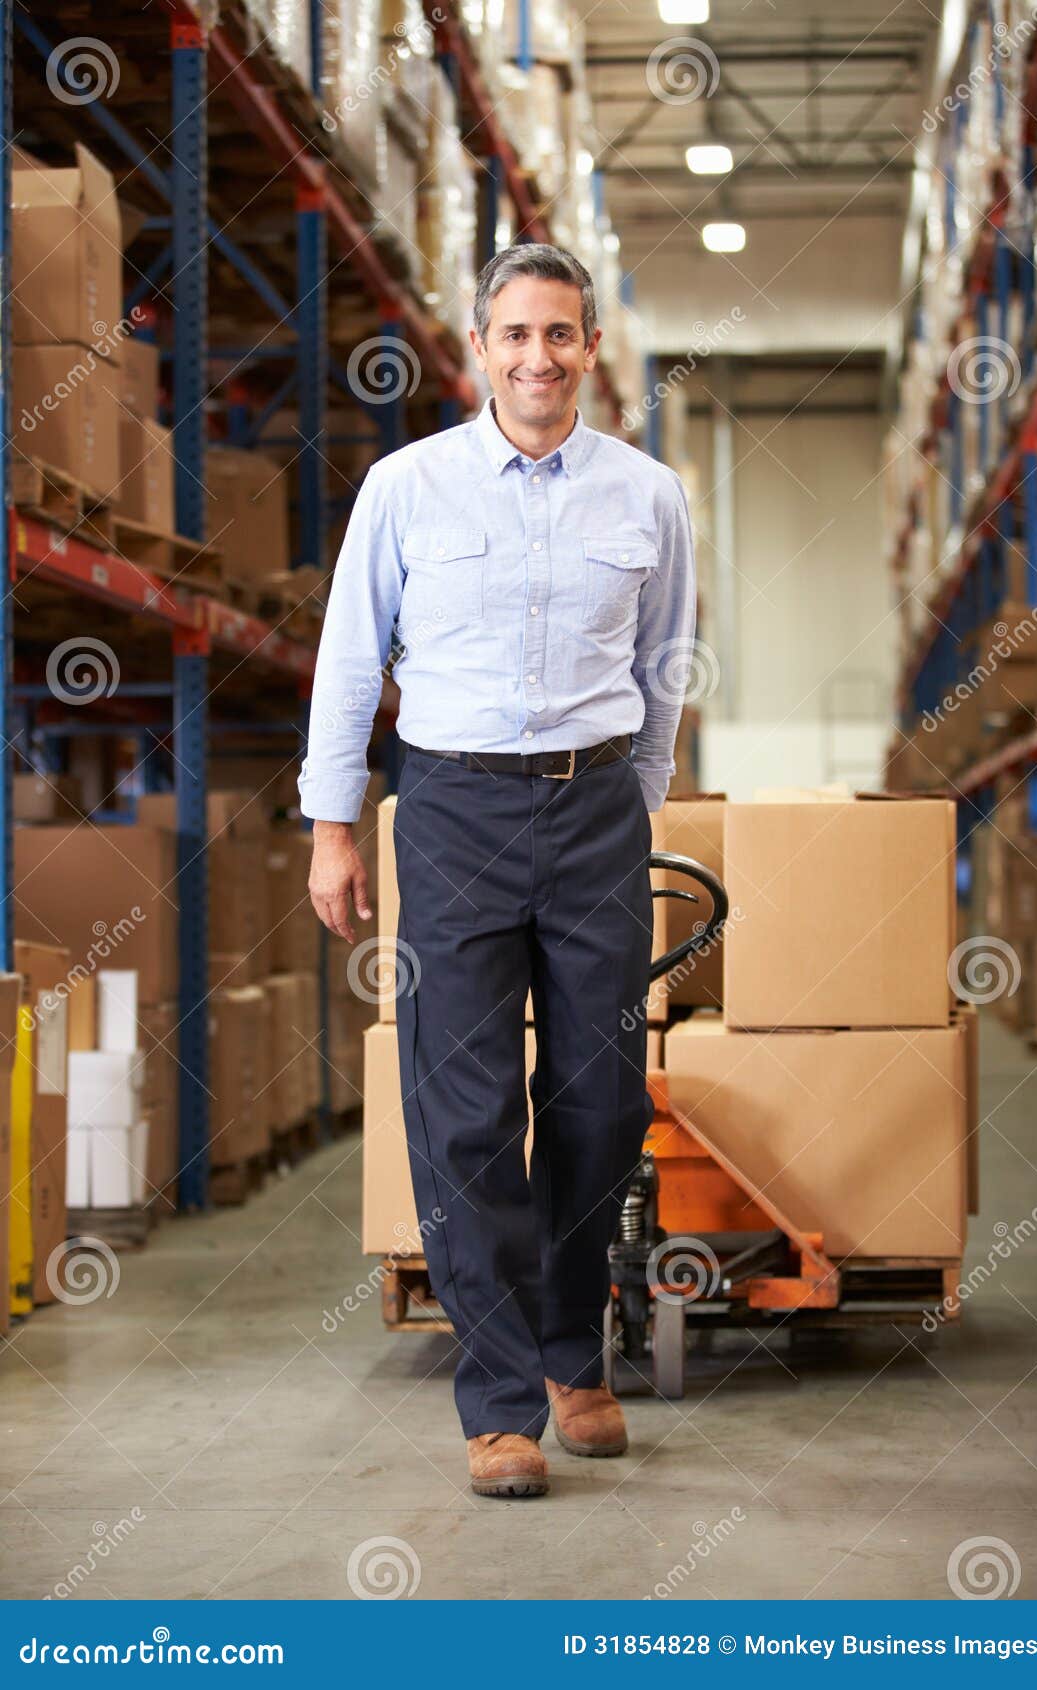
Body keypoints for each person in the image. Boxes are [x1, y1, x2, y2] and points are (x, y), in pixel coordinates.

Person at [300, 243, 696, 1499]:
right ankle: (500, 1400)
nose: (538, 357)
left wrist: (628, 812)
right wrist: (332, 823)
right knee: (466, 1114)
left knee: (600, 1105)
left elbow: (663, 672)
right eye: (514, 334)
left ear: (589, 349)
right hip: (452, 811)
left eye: (561, 334)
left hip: (593, 817)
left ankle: (579, 1358)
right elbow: (350, 662)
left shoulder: (647, 495)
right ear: (478, 346)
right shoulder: (406, 487)